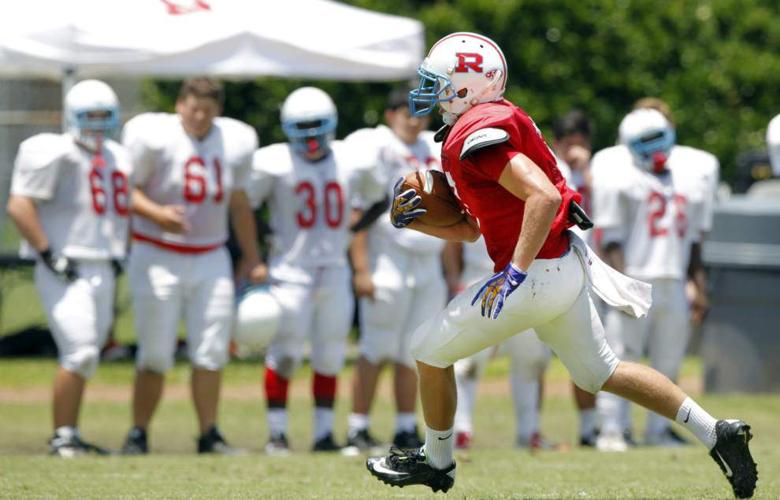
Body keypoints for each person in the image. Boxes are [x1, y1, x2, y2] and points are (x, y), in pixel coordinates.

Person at [365, 32, 757, 499]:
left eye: (438, 81)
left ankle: (438, 461)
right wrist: (420, 224)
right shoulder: (478, 130)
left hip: (534, 275)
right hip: (560, 269)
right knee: (602, 372)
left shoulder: (479, 135)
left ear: (466, 86)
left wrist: (514, 271)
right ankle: (717, 432)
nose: (426, 90)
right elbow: (472, 230)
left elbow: (544, 196)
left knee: (427, 349)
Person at [119, 78, 262, 455]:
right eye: (193, 108)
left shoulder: (235, 140)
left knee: (212, 351)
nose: (199, 117)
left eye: (208, 110)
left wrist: (252, 256)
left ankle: (208, 434)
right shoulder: (153, 135)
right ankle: (138, 433)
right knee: (154, 353)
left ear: (218, 111)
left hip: (211, 255)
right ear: (180, 104)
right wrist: (158, 214)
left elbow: (239, 202)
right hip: (157, 252)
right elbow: (125, 190)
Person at [249, 86, 384, 454]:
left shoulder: (350, 159)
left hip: (334, 269)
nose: (310, 137)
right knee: (286, 353)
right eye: (302, 127)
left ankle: (324, 434)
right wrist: (266, 239)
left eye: (316, 126)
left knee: (329, 354)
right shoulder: (272, 162)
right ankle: (277, 434)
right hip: (289, 272)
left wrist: (352, 230)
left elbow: (379, 197)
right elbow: (243, 206)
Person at [7, 79, 132, 456]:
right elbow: (20, 204)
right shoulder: (52, 151)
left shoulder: (117, 155)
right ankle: (62, 436)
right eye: (88, 117)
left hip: (103, 263)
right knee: (80, 352)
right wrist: (48, 253)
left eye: (102, 117)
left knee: (89, 352)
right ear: (71, 117)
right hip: (66, 263)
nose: (95, 125)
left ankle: (70, 433)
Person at [591, 109, 716, 451]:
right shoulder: (621, 178)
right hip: (634, 278)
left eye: (656, 138)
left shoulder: (686, 179)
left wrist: (699, 287)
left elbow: (692, 243)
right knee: (620, 358)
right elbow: (611, 239)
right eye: (644, 141)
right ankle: (613, 429)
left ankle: (659, 430)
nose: (654, 149)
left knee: (669, 361)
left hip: (672, 280)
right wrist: (621, 285)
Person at [342, 88, 445, 454]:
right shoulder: (377, 148)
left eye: (420, 112)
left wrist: (451, 272)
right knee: (376, 347)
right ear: (390, 115)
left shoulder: (435, 151)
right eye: (406, 111)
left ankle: (404, 426)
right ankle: (358, 427)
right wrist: (361, 268)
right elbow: (361, 211)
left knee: (411, 350)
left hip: (428, 261)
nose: (414, 119)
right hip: (388, 258)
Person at [447, 237, 553, 451]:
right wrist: (453, 278)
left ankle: (529, 431)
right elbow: (453, 239)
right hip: (478, 281)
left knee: (530, 361)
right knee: (466, 364)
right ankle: (460, 430)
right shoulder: (471, 202)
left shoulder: (532, 202)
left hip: (525, 285)